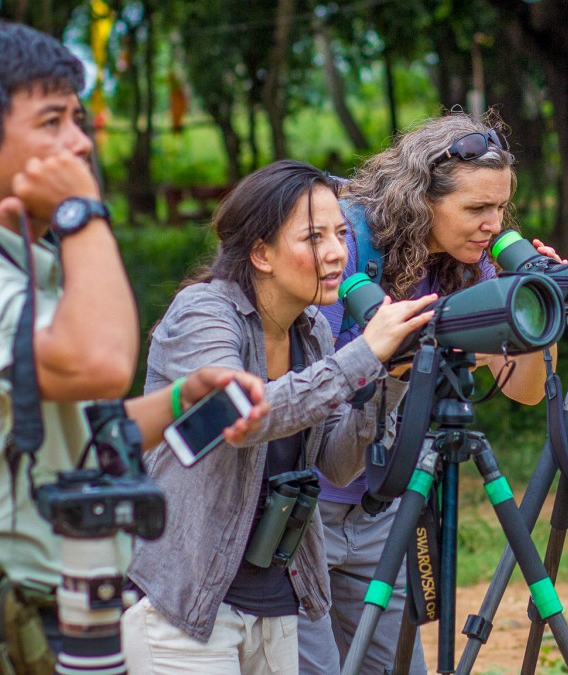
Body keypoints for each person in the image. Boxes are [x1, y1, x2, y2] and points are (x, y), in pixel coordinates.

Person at [0, 19, 268, 656]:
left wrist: (180, 401)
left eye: (77, 117)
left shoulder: (14, 265)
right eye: (51, 122)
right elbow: (99, 362)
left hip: (32, 619)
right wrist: (81, 212)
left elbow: (82, 434)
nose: (80, 143)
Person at [121, 159, 434, 674]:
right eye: (313, 238)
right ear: (261, 253)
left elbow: (337, 464)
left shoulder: (311, 330)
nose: (336, 253)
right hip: (185, 602)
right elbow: (244, 420)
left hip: (276, 600)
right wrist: (362, 356)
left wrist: (391, 377)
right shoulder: (202, 313)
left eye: (339, 233)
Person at [297, 111, 559, 674]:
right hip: (305, 509)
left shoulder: (470, 264)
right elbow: (295, 384)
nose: (493, 225)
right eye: (476, 209)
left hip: (383, 506)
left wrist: (536, 304)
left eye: (500, 208)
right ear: (422, 200)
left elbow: (527, 390)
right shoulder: (343, 244)